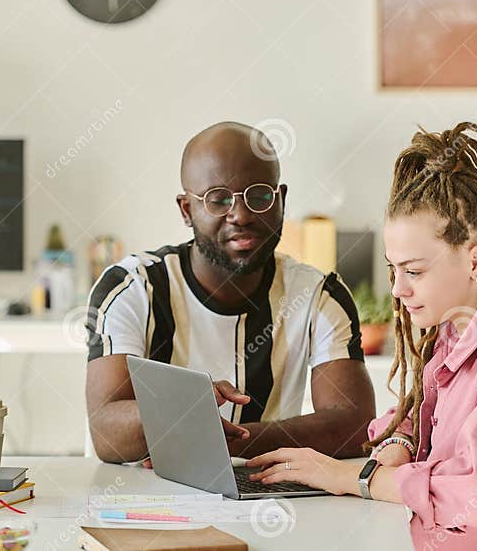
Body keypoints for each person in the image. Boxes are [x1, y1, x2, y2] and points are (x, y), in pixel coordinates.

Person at [246, 122, 477, 550]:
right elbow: (424, 417)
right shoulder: (456, 331)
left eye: (414, 271)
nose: (397, 289)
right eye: (394, 270)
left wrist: (354, 476)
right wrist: (399, 439)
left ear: (475, 260)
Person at [85, 121, 375, 463]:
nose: (241, 215)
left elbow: (355, 426)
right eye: (218, 199)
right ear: (186, 209)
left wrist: (217, 439)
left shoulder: (318, 295)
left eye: (260, 196)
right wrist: (184, 404)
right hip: (144, 501)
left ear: (281, 200)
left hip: (267, 496)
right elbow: (107, 434)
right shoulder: (131, 288)